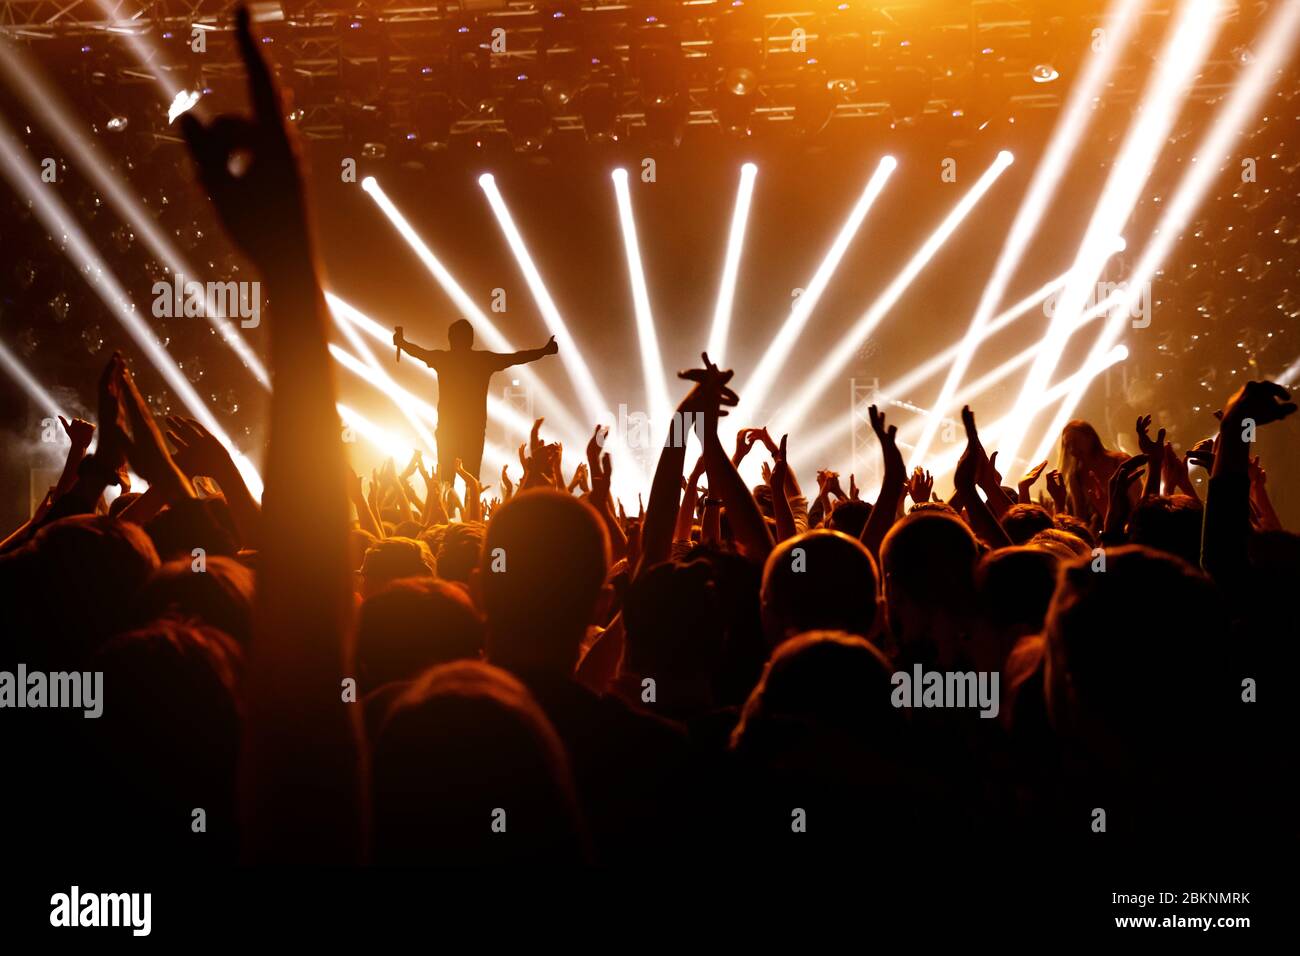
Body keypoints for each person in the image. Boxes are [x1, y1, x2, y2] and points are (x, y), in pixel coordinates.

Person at [393, 320, 558, 482]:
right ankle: (471, 507)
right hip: (473, 431)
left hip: (448, 430)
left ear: (451, 338)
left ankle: (444, 507)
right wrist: (544, 350)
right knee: (472, 480)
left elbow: (418, 352)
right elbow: (516, 357)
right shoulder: (483, 360)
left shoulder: (443, 359)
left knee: (445, 480)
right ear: (471, 340)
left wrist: (402, 342)